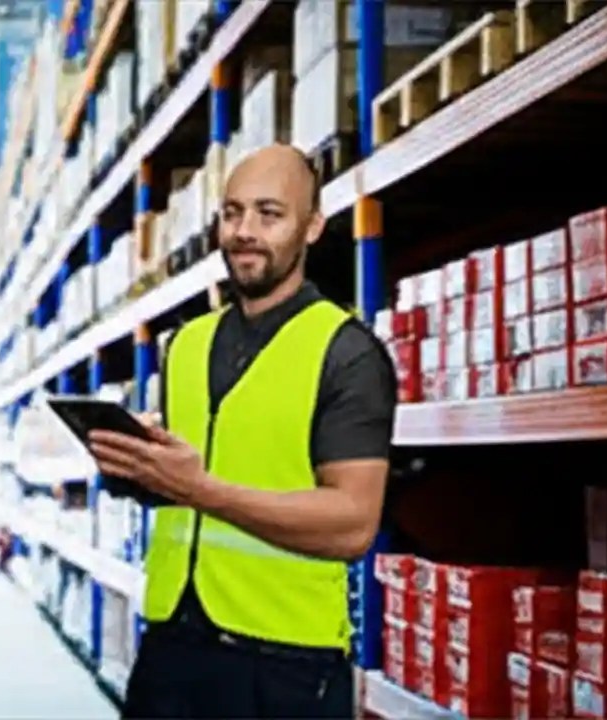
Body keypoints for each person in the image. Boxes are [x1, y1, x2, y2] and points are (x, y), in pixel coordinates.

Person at [86, 144, 397, 718]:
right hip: (171, 648)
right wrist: (134, 467)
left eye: (269, 214)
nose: (244, 231)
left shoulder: (346, 352)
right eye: (232, 213)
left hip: (285, 668)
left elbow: (352, 523)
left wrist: (201, 489)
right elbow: (186, 485)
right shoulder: (185, 344)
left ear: (312, 227)